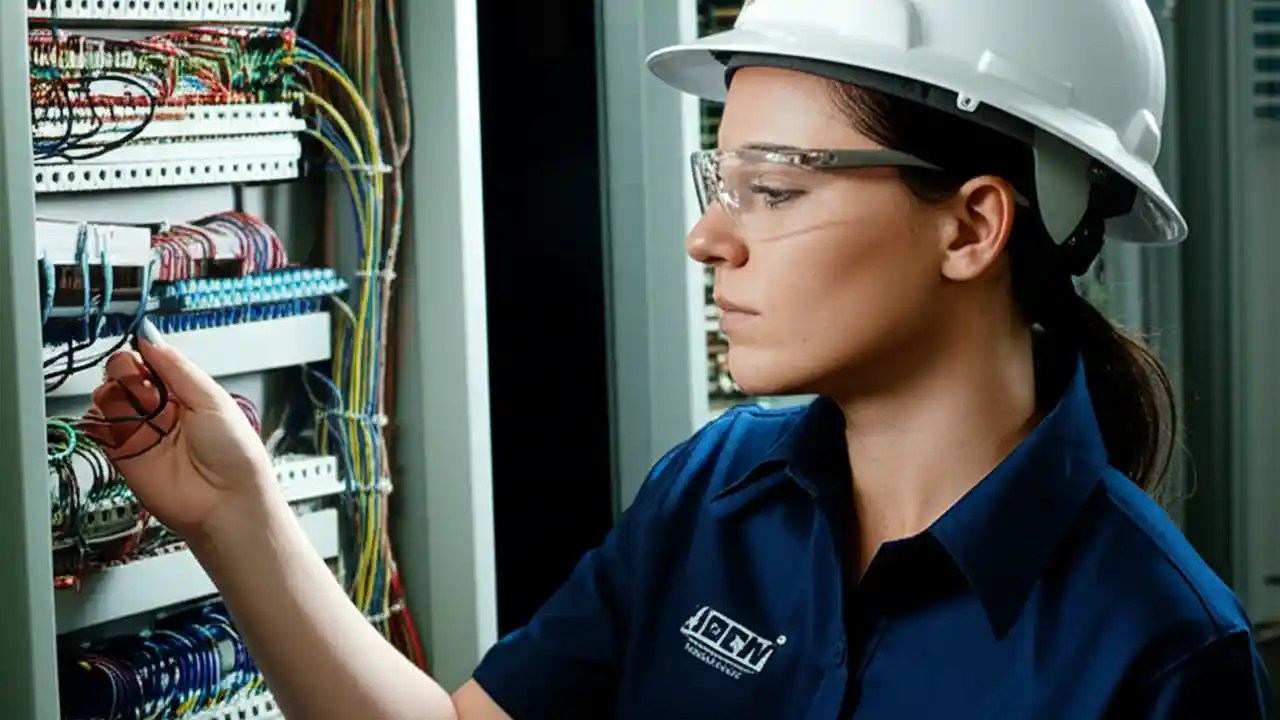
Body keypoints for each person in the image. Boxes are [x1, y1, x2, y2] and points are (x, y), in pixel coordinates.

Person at [90, 0, 1275, 717]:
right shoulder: (715, 493)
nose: (708, 236)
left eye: (772, 189)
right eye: (723, 184)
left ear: (971, 225)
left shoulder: (1161, 652)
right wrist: (235, 515)